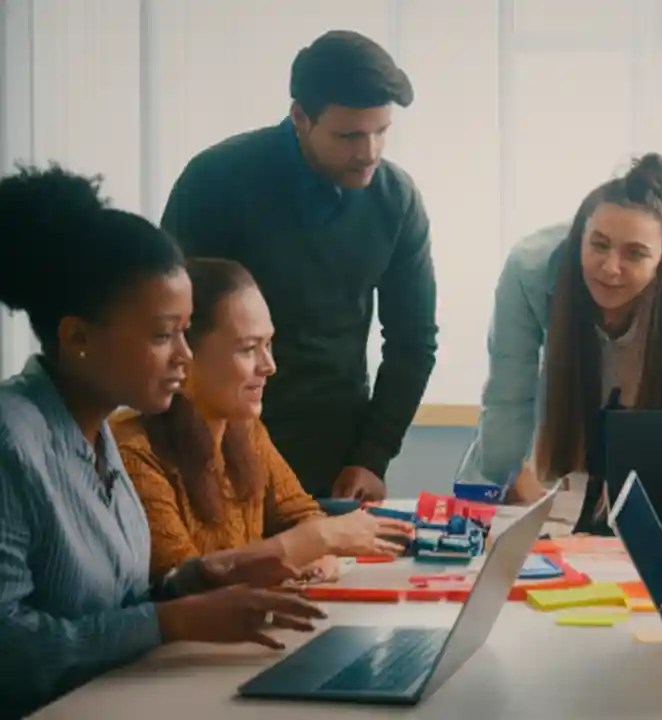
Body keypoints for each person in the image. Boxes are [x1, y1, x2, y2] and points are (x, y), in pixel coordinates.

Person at [0, 166, 324, 716]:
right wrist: (172, 619)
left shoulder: (94, 430)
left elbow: (111, 609)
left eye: (185, 330)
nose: (186, 356)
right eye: (162, 335)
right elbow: (10, 651)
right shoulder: (13, 442)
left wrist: (198, 580)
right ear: (76, 336)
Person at [161, 30, 438, 501]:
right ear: (300, 117)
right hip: (210, 451)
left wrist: (373, 456)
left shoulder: (396, 200)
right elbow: (171, 329)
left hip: (334, 457)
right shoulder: (217, 181)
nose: (369, 152)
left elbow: (413, 343)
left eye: (381, 132)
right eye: (349, 135)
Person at [456, 153, 662, 519]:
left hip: (647, 459)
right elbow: (509, 394)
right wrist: (502, 482)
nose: (610, 268)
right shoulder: (533, 267)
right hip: (554, 459)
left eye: (635, 254)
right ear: (580, 238)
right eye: (599, 245)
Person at [112, 258, 415, 584]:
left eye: (268, 344)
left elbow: (302, 515)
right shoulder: (134, 453)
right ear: (187, 355)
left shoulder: (245, 429)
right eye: (248, 349)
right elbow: (183, 585)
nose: (269, 365)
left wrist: (321, 553)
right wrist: (317, 541)